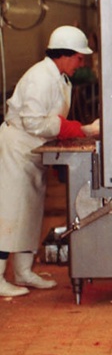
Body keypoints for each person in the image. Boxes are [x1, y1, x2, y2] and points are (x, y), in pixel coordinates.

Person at [0, 26, 94, 297]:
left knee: (30, 211)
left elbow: (47, 121)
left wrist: (60, 138)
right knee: (11, 212)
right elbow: (31, 121)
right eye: (79, 57)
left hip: (35, 151)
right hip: (18, 148)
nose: (82, 63)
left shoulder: (62, 78)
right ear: (64, 55)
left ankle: (23, 272)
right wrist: (67, 129)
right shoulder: (40, 77)